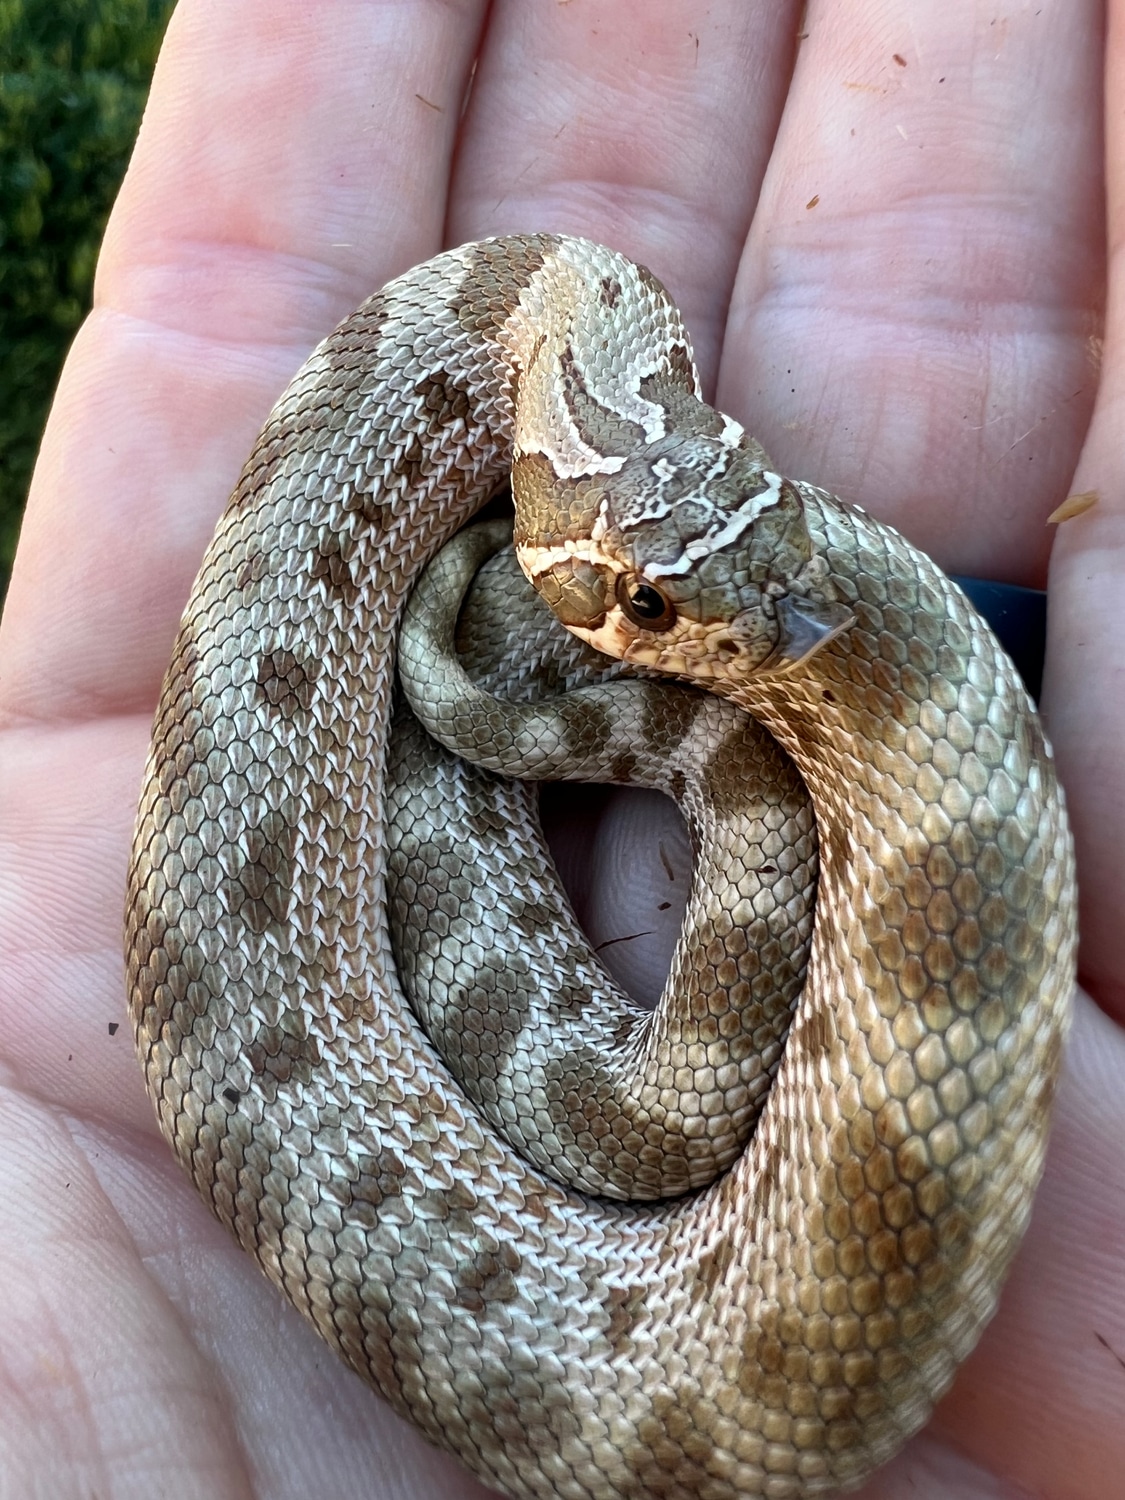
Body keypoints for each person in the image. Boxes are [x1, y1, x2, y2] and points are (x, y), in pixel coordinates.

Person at [0, 3, 1121, 1496]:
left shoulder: (589, 353)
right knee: (649, 1115)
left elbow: (715, 581)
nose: (772, 632)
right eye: (656, 609)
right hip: (586, 1355)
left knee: (663, 1100)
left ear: (712, 430)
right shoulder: (520, 382)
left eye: (759, 527)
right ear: (558, 547)